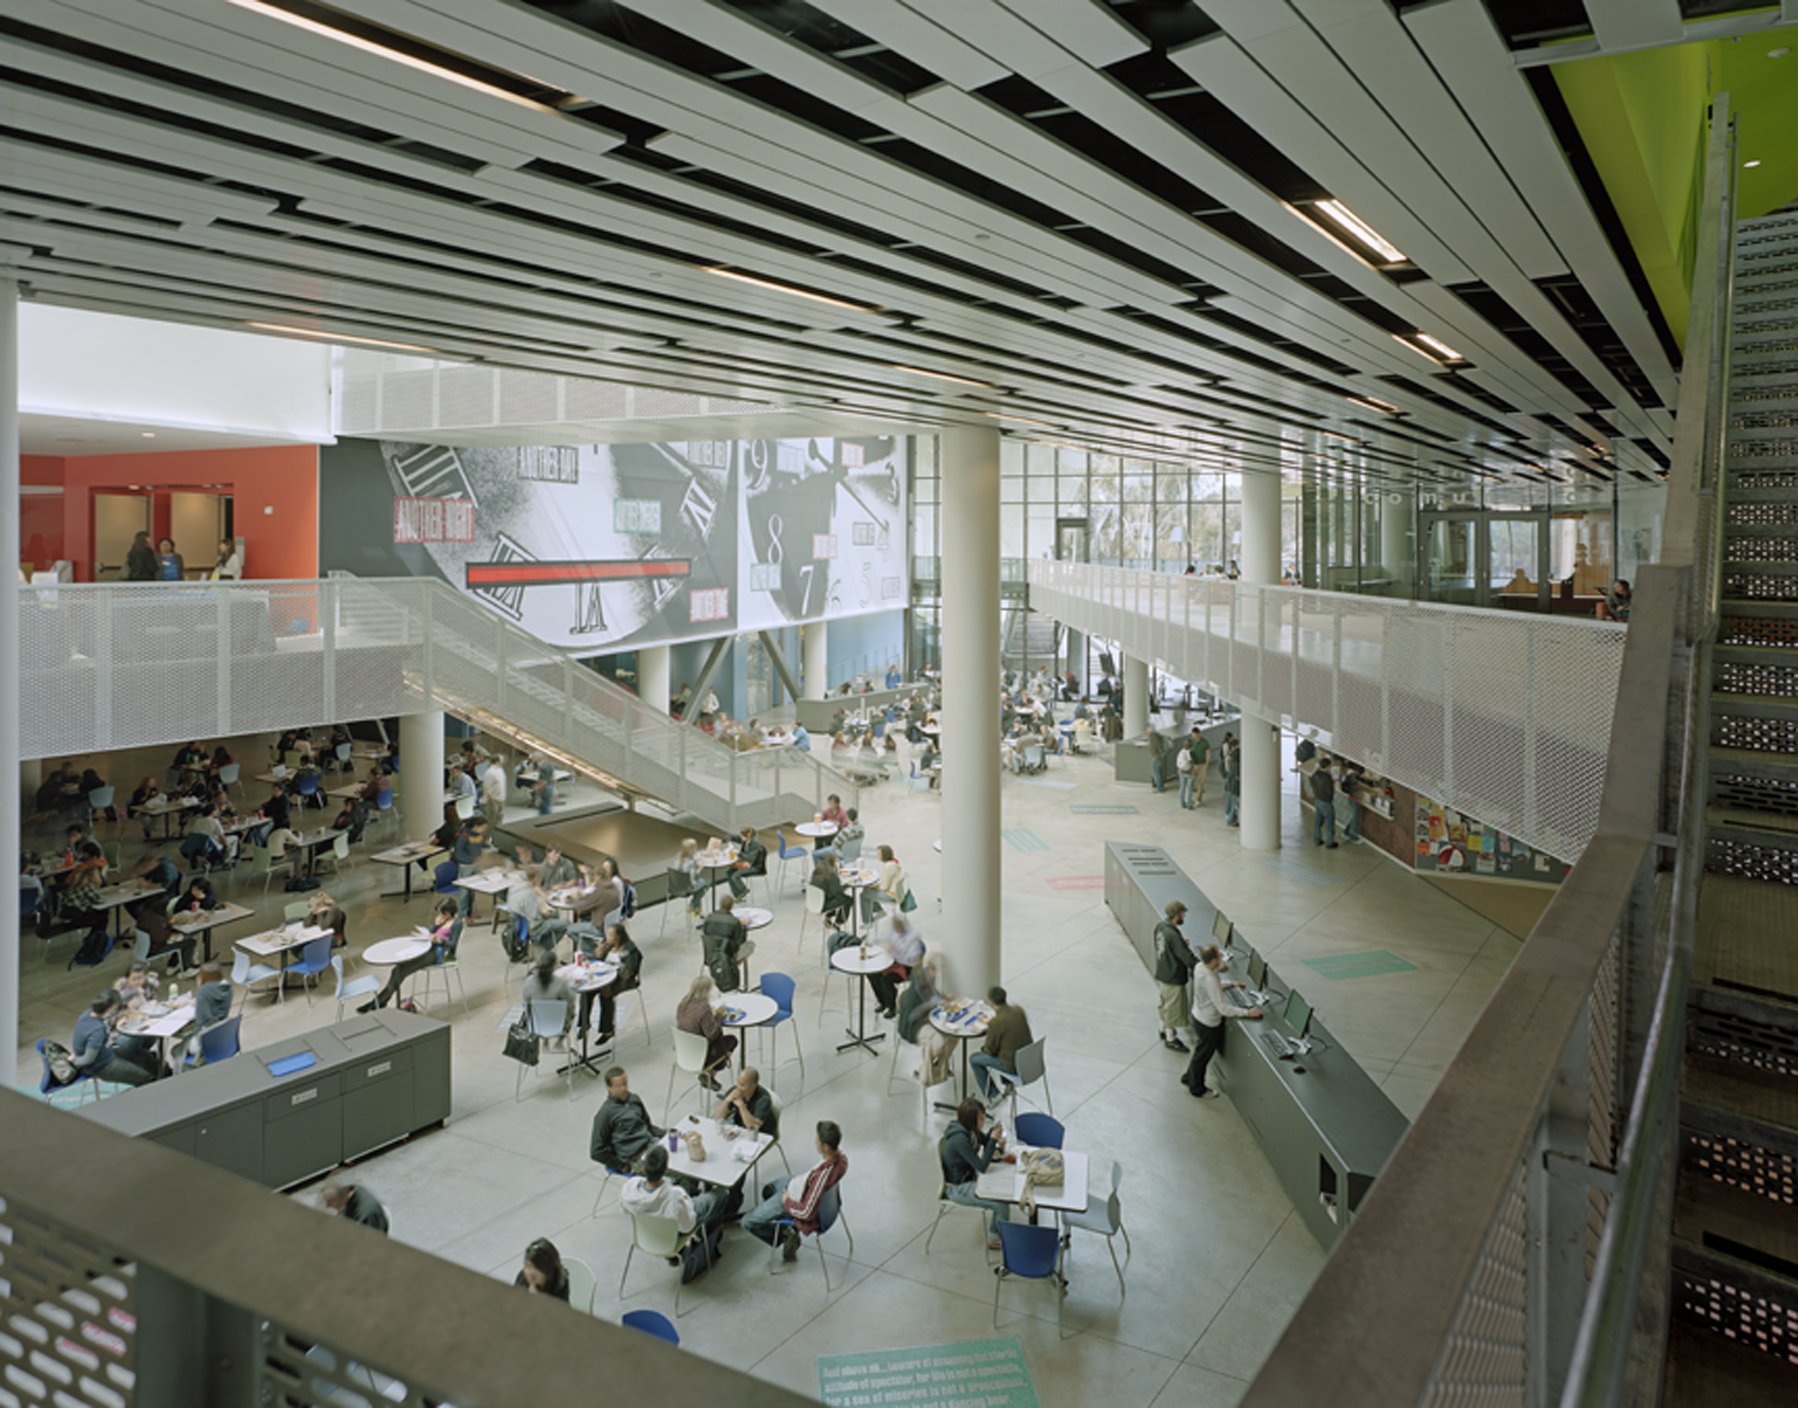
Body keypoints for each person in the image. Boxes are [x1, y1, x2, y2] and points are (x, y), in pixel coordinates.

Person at [743, 1120, 848, 1260]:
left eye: (817, 1140)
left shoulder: (822, 1179)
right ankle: (786, 1226)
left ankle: (785, 1234)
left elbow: (806, 1212)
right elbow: (818, 1176)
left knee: (747, 1222)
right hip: (798, 1184)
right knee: (767, 1190)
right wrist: (807, 1177)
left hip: (794, 1197)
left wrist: (786, 1201)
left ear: (826, 1146)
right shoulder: (841, 1159)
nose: (815, 1141)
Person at [1184, 944, 1263, 1099]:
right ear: (1213, 960)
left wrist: (1230, 984)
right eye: (1219, 956)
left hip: (1197, 1015)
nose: (1221, 959)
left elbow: (1212, 988)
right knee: (1203, 1056)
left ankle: (1188, 1077)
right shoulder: (1210, 979)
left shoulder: (1200, 967)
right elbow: (1223, 1009)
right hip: (1208, 1023)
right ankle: (1197, 1088)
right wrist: (1247, 1012)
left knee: (1199, 1053)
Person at [621, 1144, 727, 1246]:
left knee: (687, 1183)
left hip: (646, 1234)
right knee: (721, 1194)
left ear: (643, 1168)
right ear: (666, 1170)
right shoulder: (672, 1197)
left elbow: (624, 1209)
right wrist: (686, 1201)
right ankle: (710, 1236)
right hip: (672, 1234)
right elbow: (688, 1226)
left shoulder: (629, 1189)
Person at [362, 898, 459, 1010]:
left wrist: (439, 940)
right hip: (427, 947)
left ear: (450, 912)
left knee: (401, 971)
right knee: (397, 970)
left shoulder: (456, 924)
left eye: (443, 913)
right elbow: (430, 933)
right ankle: (380, 1001)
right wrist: (435, 925)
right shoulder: (442, 920)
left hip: (437, 954)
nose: (440, 915)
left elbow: (453, 944)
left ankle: (378, 1002)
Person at [941, 1097, 1010, 1248]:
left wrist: (992, 1134)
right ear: (971, 1120)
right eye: (980, 1118)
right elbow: (981, 1167)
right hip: (958, 1188)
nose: (983, 1120)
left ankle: (998, 1232)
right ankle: (994, 1237)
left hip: (970, 1178)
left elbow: (985, 1142)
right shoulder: (960, 1139)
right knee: (1001, 1203)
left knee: (1004, 1191)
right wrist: (993, 1141)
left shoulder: (970, 1130)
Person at [69, 990, 159, 1087]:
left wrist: (135, 991)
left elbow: (119, 998)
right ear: (112, 1007)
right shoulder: (97, 1031)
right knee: (146, 1078)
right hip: (102, 1066)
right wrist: (73, 1060)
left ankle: (166, 1075)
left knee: (144, 1056)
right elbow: (88, 1059)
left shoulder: (89, 1013)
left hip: (107, 1052)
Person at [590, 1066, 663, 1173]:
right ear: (609, 1088)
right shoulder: (605, 1114)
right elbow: (596, 1152)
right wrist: (620, 1165)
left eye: (625, 1084)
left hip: (652, 1144)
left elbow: (648, 1126)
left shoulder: (634, 1099)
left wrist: (668, 1134)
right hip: (636, 1158)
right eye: (618, 1086)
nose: (623, 1088)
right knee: (678, 1173)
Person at [972, 986, 1032, 1106]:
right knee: (1005, 1047)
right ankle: (1007, 1084)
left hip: (1013, 1066)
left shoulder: (996, 1023)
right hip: (1029, 1061)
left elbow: (990, 1050)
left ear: (991, 1002)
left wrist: (983, 1049)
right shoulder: (1018, 1010)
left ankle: (993, 1095)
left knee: (974, 1059)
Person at [1153, 901, 1198, 1052]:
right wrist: (1201, 966)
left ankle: (1162, 1029)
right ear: (1176, 915)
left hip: (1162, 972)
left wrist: (1178, 943)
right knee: (1172, 1008)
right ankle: (1171, 1038)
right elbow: (1186, 957)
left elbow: (1163, 945)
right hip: (1173, 976)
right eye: (1182, 913)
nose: (1184, 915)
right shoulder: (1173, 934)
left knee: (1164, 1003)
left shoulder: (1161, 927)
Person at [676, 974, 735, 1089]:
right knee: (731, 1040)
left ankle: (709, 1076)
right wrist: (718, 1015)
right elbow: (712, 1034)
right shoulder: (703, 1007)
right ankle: (710, 1073)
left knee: (719, 1040)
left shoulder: (682, 1004)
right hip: (700, 1055)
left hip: (683, 1052)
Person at [593, 922, 642, 1044]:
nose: (607, 937)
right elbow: (598, 959)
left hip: (622, 980)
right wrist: (600, 950)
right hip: (605, 977)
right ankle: (583, 1024)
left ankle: (607, 1030)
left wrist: (615, 984)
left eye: (610, 935)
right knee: (588, 992)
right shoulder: (608, 946)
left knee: (605, 995)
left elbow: (628, 973)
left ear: (618, 936)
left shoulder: (630, 950)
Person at [870, 909, 924, 1018]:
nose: (894, 929)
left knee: (886, 980)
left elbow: (913, 958)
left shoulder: (913, 937)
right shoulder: (894, 929)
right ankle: (882, 1001)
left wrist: (896, 951)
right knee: (872, 974)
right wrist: (889, 946)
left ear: (903, 927)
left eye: (897, 927)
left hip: (907, 967)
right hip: (893, 961)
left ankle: (892, 1008)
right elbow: (888, 939)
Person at [701, 894, 751, 993]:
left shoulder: (709, 917)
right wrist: (744, 929)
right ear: (731, 907)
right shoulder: (734, 922)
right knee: (749, 946)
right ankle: (735, 972)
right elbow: (740, 942)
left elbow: (706, 933)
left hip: (710, 954)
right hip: (727, 956)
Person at [520, 950, 574, 1035]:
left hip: (535, 1026)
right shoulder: (560, 984)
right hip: (559, 1025)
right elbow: (571, 1000)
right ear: (554, 965)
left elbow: (525, 1000)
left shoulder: (529, 982)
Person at [320, 1178, 389, 1233]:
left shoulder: (366, 1215)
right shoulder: (348, 1193)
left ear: (339, 1198)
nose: (327, 1206)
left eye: (330, 1202)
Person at [451, 817, 488, 917]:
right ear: (475, 827)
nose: (484, 830)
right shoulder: (464, 836)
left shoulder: (479, 835)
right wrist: (471, 860)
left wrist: (481, 855)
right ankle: (463, 914)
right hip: (466, 866)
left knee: (472, 889)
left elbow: (480, 846)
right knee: (465, 891)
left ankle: (470, 912)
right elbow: (458, 853)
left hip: (476, 865)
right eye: (483, 828)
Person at [810, 853, 852, 928]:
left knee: (830, 893)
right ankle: (838, 923)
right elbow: (836, 891)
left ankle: (829, 917)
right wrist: (847, 884)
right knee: (849, 900)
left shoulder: (819, 868)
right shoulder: (831, 874)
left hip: (813, 901)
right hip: (823, 904)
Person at [728, 825, 766, 899]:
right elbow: (729, 836)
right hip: (745, 862)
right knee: (729, 872)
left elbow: (750, 858)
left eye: (743, 835)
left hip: (754, 866)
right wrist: (729, 843)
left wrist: (739, 853)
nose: (741, 837)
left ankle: (743, 890)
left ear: (748, 834)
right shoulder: (744, 839)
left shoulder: (755, 843)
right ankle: (737, 895)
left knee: (735, 875)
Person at [1312, 756, 1337, 848]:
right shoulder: (1327, 778)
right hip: (1326, 803)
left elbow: (1312, 784)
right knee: (1329, 822)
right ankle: (1329, 842)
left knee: (1318, 821)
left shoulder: (1315, 774)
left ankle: (1317, 839)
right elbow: (1330, 792)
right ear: (1327, 767)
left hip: (1318, 800)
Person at [677, 838, 703, 919]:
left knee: (700, 888)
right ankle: (693, 905)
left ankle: (697, 910)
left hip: (678, 886)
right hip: (688, 887)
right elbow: (693, 877)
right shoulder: (691, 862)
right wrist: (700, 868)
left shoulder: (679, 857)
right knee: (705, 884)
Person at [480, 756, 507, 834]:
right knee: (491, 820)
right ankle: (485, 838)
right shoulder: (490, 772)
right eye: (502, 759)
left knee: (499, 819)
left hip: (501, 798)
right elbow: (486, 786)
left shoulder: (500, 770)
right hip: (493, 800)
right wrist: (490, 797)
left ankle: (496, 836)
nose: (503, 761)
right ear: (497, 761)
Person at [1188, 727, 1211, 807]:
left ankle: (1198, 799)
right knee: (1190, 782)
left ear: (1199, 734)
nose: (1194, 737)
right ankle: (1189, 798)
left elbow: (1208, 752)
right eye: (1193, 735)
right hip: (1192, 765)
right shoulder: (1190, 741)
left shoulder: (1205, 742)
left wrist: (1207, 763)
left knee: (1201, 783)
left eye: (1196, 736)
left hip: (1202, 765)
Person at [1222, 733, 1241, 828]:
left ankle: (1228, 816)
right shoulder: (1236, 762)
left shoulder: (1228, 757)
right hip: (1234, 784)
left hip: (1229, 782)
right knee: (1235, 803)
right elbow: (1238, 776)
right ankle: (1231, 819)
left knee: (1229, 801)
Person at [1175, 735, 1195, 809]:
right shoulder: (1189, 752)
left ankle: (1182, 803)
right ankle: (1189, 805)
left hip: (1181, 771)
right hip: (1188, 772)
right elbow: (1190, 761)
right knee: (1189, 789)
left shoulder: (1181, 752)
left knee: (1182, 787)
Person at [1147, 726, 1168, 793]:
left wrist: (1152, 753)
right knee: (1158, 771)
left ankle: (1159, 787)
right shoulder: (1158, 735)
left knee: (1155, 772)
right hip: (1159, 755)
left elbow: (1154, 746)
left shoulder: (1152, 736)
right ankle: (1159, 786)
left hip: (1156, 756)